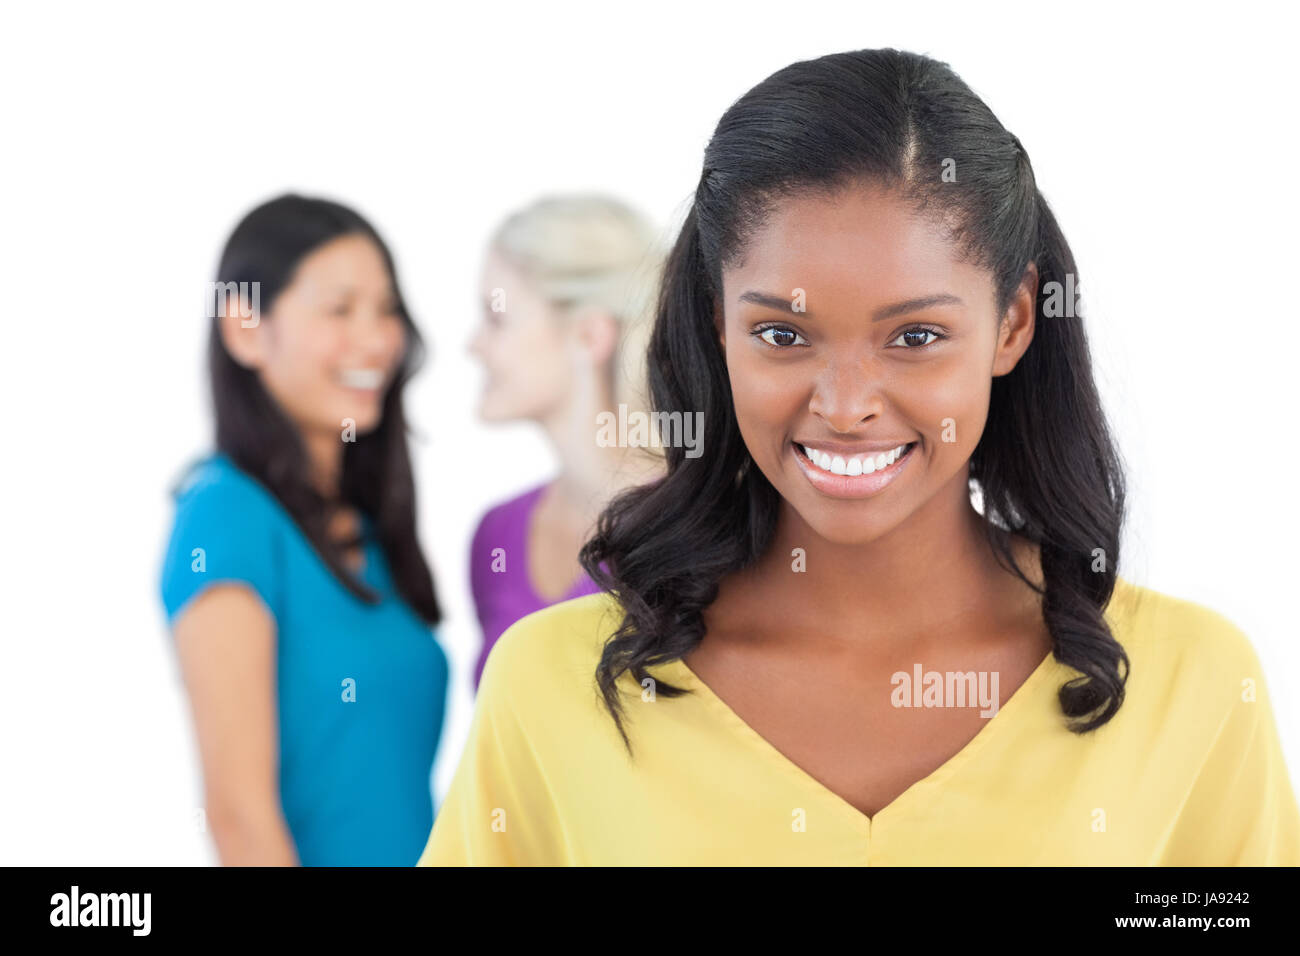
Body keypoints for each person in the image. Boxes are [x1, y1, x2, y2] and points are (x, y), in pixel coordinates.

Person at [418, 49, 1300, 865]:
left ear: (1016, 321)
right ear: (716, 326)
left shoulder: (1194, 685)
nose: (844, 407)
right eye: (781, 334)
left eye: (915, 335)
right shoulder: (552, 686)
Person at [160, 194, 449, 865]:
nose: (377, 339)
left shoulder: (365, 528)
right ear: (246, 330)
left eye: (386, 309)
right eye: (340, 309)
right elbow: (239, 820)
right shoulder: (225, 516)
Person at [466, 195, 665, 690]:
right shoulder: (497, 536)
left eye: (496, 318)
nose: (473, 345)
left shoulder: (699, 527)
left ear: (589, 334)